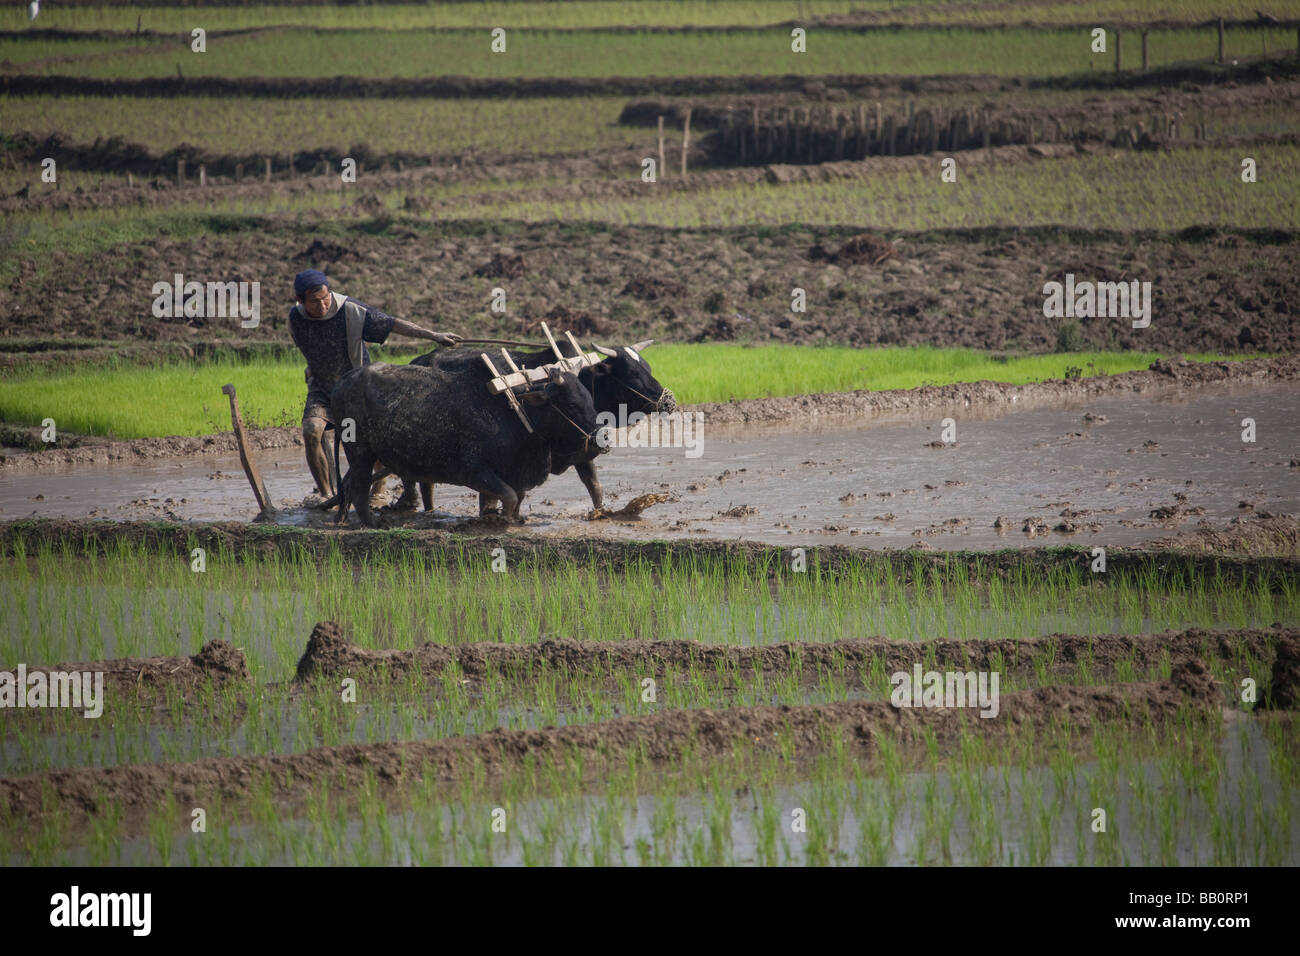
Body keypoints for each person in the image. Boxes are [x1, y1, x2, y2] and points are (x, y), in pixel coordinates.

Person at [288, 269, 460, 505]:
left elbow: (392, 324)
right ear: (300, 301)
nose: (323, 305)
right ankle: (326, 494)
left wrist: (433, 335)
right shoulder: (295, 319)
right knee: (311, 431)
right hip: (323, 389)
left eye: (325, 298)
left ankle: (378, 490)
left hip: (358, 388)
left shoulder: (351, 310)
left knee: (371, 440)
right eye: (315, 302)